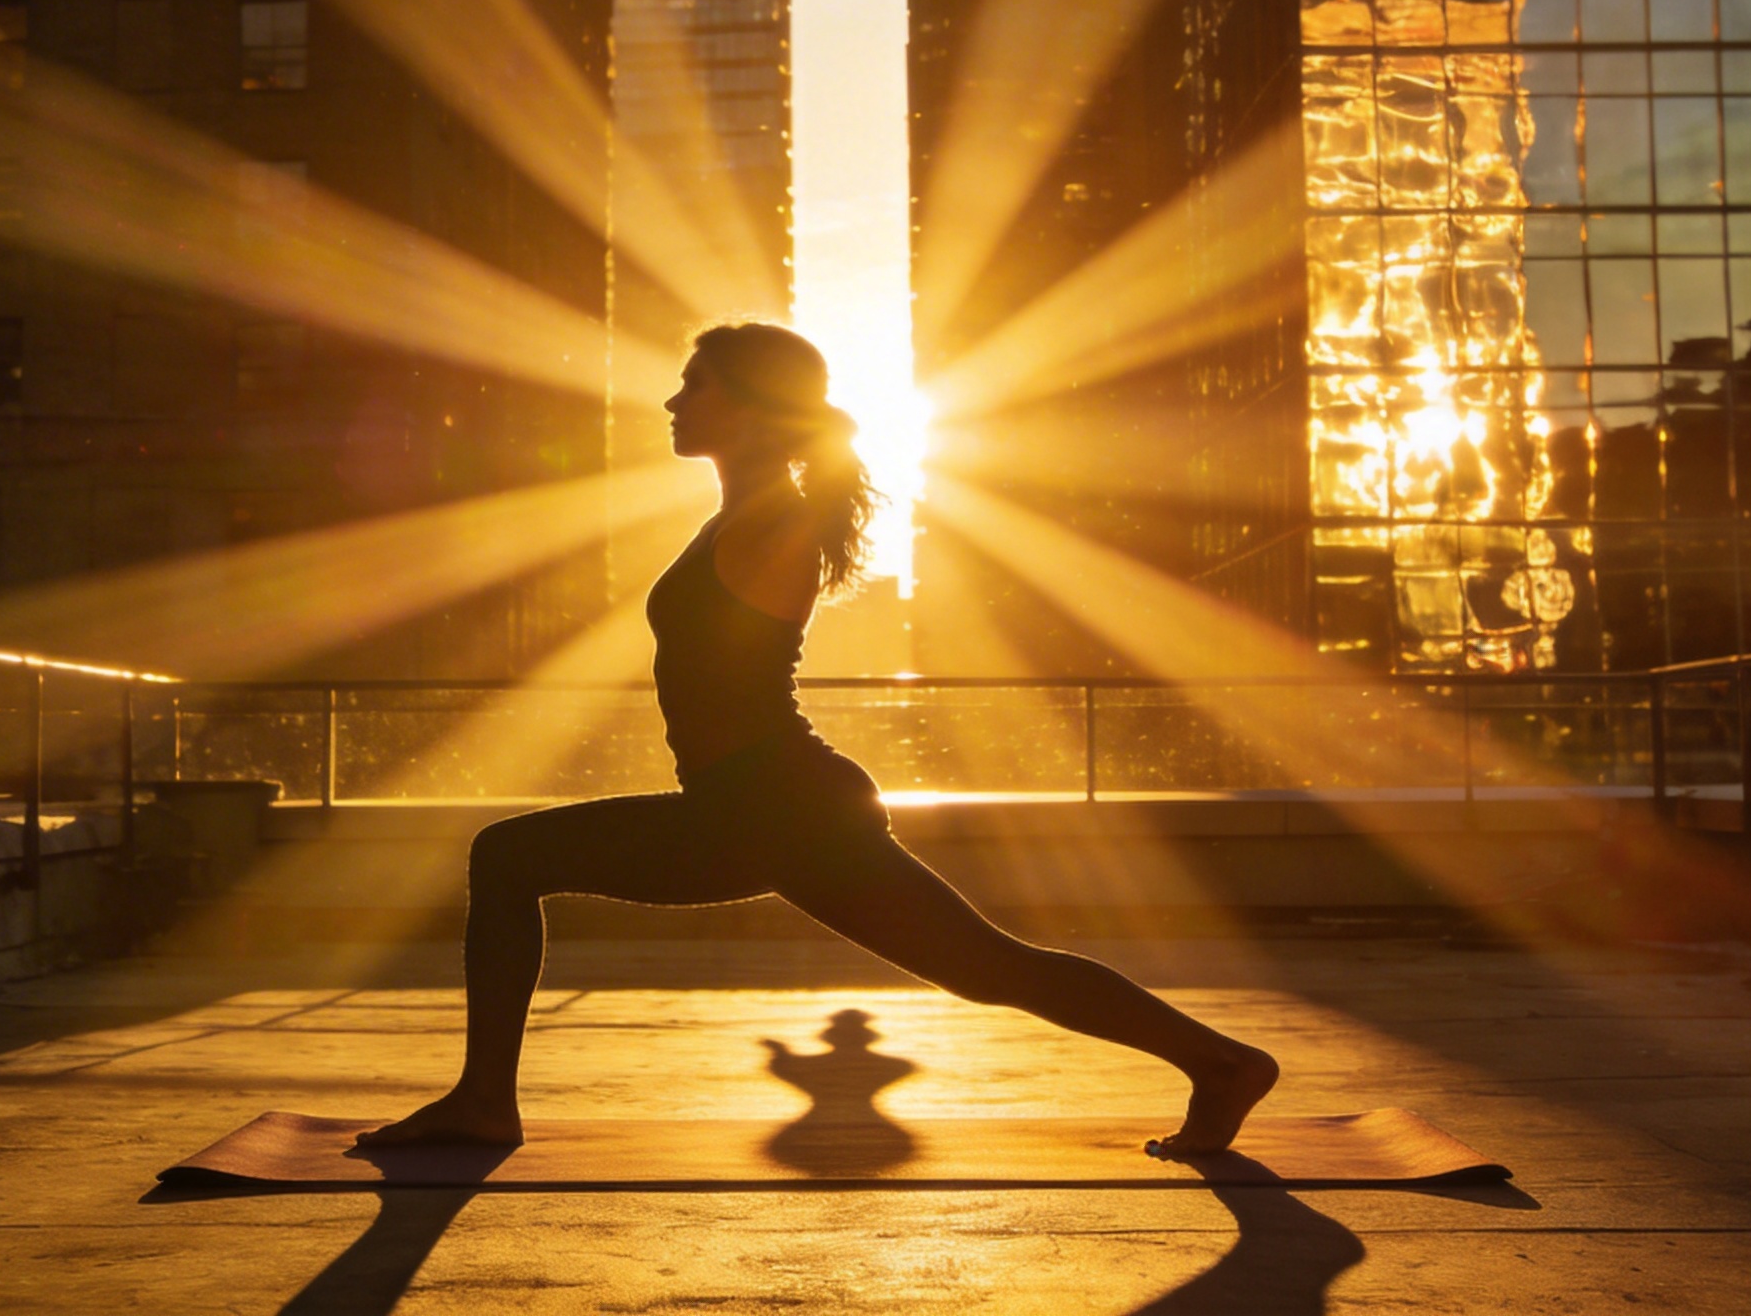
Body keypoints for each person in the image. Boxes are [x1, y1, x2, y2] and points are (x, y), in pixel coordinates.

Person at [358, 321, 1278, 1155]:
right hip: (768, 805)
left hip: (771, 805)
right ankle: (1222, 1064)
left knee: (508, 856)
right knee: (991, 968)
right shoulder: (744, 513)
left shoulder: (771, 521)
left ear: (753, 406)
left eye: (695, 384)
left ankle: (485, 1103)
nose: (673, 401)